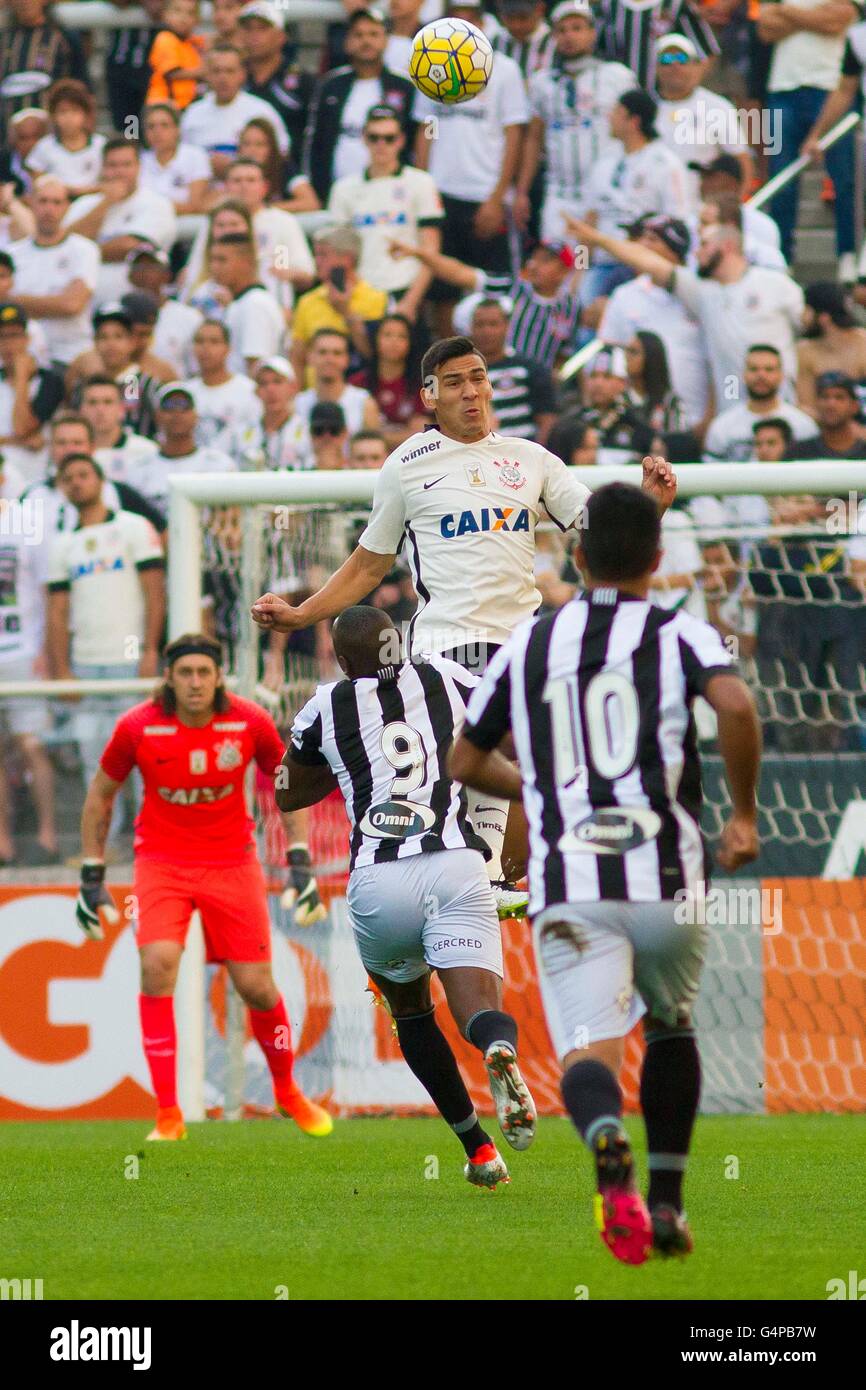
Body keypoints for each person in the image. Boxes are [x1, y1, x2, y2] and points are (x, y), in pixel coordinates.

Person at [251, 334, 677, 917]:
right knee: (492, 742)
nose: (471, 390)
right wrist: (303, 614)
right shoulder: (405, 465)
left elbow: (602, 532)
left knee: (538, 754)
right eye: (454, 382)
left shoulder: (532, 460)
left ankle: (511, 874)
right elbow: (371, 561)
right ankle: (483, 874)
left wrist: (650, 504)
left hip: (525, 638)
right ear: (428, 395)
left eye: (478, 377)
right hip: (450, 641)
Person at [449, 481, 761, 1262]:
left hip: (573, 882)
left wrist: (546, 791)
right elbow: (737, 707)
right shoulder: (681, 631)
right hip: (667, 874)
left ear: (577, 556)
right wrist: (745, 814)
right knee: (669, 1024)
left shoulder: (532, 642)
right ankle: (666, 1204)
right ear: (658, 560)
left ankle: (606, 1141)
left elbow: (464, 757)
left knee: (588, 1045)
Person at [278, 605, 536, 1186]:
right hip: (455, 863)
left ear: (343, 661)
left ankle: (478, 1150)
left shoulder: (325, 704)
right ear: (401, 643)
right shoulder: (447, 677)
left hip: (378, 879)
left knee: (412, 1011)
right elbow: (515, 741)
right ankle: (497, 1046)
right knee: (478, 1009)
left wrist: (341, 767)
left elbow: (287, 794)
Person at [75, 631, 333, 1141]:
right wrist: (91, 870)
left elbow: (288, 786)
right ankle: (168, 1115)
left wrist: (298, 859)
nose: (195, 683)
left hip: (232, 863)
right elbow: (101, 794)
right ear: (168, 678)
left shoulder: (249, 720)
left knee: (256, 986)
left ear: (218, 678)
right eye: (185, 673)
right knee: (158, 966)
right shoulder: (138, 726)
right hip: (161, 863)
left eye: (204, 673)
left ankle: (287, 1092)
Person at [567, 211, 804, 407]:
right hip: (731, 417)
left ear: (728, 246)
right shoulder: (702, 292)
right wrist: (595, 238)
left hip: (783, 412)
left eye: (704, 245)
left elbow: (808, 337)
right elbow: (647, 261)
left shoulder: (777, 284)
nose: (696, 252)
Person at [412, 29, 528, 329]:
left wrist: (497, 197)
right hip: (441, 192)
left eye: (470, 13)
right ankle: (449, 358)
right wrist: (424, 190)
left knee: (495, 291)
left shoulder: (503, 68)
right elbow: (426, 128)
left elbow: (513, 132)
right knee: (441, 292)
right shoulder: (428, 60)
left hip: (484, 193)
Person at [515, 2, 635, 244]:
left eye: (577, 28)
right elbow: (533, 139)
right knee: (559, 265)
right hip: (560, 194)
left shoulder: (617, 76)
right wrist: (522, 192)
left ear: (592, 33)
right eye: (562, 30)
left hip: (607, 193)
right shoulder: (542, 83)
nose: (569, 36)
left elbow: (633, 133)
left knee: (601, 264)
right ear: (554, 36)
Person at [760, 0, 857, 276]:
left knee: (843, 179)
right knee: (780, 181)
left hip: (831, 88)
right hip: (780, 89)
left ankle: (847, 256)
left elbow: (840, 20)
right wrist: (816, 18)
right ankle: (781, 258)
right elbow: (765, 29)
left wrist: (786, 12)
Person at [391, 238, 582, 372]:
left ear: (563, 272)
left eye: (546, 261)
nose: (534, 264)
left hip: (537, 388)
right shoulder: (510, 287)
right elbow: (460, 273)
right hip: (498, 375)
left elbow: (563, 353)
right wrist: (418, 253)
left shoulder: (571, 307)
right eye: (534, 257)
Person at [577, 88, 691, 309]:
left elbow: (678, 222)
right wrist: (579, 269)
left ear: (633, 120)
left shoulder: (666, 164)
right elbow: (587, 225)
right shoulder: (604, 163)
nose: (609, 118)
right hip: (602, 265)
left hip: (643, 265)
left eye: (616, 112)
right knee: (585, 314)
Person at [599, 215, 711, 435]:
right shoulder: (624, 295)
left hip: (694, 419)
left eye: (652, 239)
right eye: (641, 239)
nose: (641, 246)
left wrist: (708, 420)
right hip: (637, 421)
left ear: (674, 247)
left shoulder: (702, 292)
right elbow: (610, 359)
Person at [327, 105, 443, 316]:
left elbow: (431, 250)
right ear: (364, 138)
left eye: (389, 138)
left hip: (405, 287)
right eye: (374, 137)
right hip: (361, 291)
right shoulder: (343, 189)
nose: (381, 145)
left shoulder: (421, 183)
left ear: (401, 140)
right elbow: (338, 253)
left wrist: (410, 303)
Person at [302, 7, 416, 204]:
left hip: (392, 196)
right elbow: (314, 142)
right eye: (358, 34)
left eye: (374, 34)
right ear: (347, 42)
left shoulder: (404, 87)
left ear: (387, 40)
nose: (366, 41)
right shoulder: (330, 85)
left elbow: (415, 139)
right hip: (338, 194)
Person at [0, 491, 59, 866]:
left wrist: (47, 650)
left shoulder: (25, 521)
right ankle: (3, 841)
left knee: (32, 745)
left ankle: (48, 833)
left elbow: (49, 590)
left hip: (23, 651)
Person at [182, 160, 315, 315]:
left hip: (265, 303)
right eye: (237, 181)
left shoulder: (280, 224)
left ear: (264, 187)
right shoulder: (213, 221)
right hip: (213, 302)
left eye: (251, 180)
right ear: (225, 186)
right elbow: (198, 267)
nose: (243, 186)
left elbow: (290, 270)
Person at [65, 140, 178, 308]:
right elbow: (65, 245)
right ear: (102, 169)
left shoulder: (157, 204)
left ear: (139, 167)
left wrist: (81, 253)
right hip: (86, 305)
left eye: (126, 165)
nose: (119, 172)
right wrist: (106, 202)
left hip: (136, 306)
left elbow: (129, 246)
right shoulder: (84, 205)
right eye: (112, 165)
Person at [9, 176, 100, 374]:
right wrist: (53, 303)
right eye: (43, 201)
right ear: (31, 203)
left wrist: (15, 301)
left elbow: (72, 304)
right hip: (23, 356)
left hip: (71, 355)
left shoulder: (84, 249)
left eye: (56, 202)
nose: (49, 209)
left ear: (67, 207)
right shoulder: (12, 254)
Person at [653, 32, 751, 202]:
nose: (675, 65)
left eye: (682, 59)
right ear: (656, 68)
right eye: (667, 59)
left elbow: (741, 159)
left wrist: (739, 204)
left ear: (696, 66)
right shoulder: (649, 110)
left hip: (704, 210)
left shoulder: (717, 107)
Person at [291, 225, 388, 381]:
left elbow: (374, 355)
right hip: (316, 394)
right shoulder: (307, 301)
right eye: (316, 254)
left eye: (323, 255)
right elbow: (298, 357)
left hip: (361, 389)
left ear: (347, 258)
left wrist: (346, 312)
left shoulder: (377, 299)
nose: (317, 261)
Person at [180, 41, 290, 179]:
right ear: (207, 75)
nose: (223, 78)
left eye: (229, 71)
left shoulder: (261, 111)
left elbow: (281, 155)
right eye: (216, 71)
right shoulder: (193, 113)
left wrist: (234, 165)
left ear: (242, 74)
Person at [135, 382, 237, 520]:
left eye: (184, 406)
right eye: (169, 407)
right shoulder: (138, 468)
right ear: (157, 416)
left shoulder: (219, 465)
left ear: (196, 415)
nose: (177, 413)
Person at [703, 344, 817, 461]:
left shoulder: (803, 425)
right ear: (743, 375)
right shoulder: (722, 426)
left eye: (769, 369)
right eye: (754, 369)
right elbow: (710, 473)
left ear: (781, 375)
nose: (761, 375)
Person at [0, 0, 89, 144]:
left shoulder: (63, 38)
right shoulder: (4, 38)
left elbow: (82, 86)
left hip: (52, 135)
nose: (25, 3)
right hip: (6, 133)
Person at [470, 297, 557, 443]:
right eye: (480, 325)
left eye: (493, 324)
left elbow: (547, 419)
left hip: (525, 451)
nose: (486, 331)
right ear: (471, 328)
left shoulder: (529, 368)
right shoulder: (465, 373)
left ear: (506, 326)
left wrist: (538, 454)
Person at [239, 0, 317, 160]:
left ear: (281, 36)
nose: (254, 36)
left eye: (262, 29)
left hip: (289, 173)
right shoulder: (234, 77)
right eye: (248, 29)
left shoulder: (302, 82)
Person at [0, 302, 64, 484]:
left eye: (14, 335)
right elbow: (22, 436)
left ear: (27, 338)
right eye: (2, 337)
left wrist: (21, 379)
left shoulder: (50, 382)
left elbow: (22, 427)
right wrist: (17, 442)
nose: (8, 344)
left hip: (36, 476)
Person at [593, 0, 719, 90]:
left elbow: (707, 52)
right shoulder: (608, 6)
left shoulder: (676, 5)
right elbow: (593, 51)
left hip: (665, 100)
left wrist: (685, 90)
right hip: (620, 104)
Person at [207, 233, 287, 374]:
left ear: (247, 262)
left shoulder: (255, 304)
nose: (214, 267)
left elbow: (256, 367)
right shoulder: (241, 303)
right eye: (212, 260)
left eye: (222, 260)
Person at [349, 312, 426, 448]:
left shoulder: (420, 384)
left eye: (401, 336)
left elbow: (421, 433)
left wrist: (377, 434)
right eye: (387, 335)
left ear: (410, 342)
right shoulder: (358, 382)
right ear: (375, 339)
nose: (394, 342)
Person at [127, 247, 203, 378]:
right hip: (128, 389)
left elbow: (197, 369)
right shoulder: (118, 314)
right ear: (130, 276)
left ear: (166, 275)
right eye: (138, 267)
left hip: (172, 392)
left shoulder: (189, 317)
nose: (145, 273)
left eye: (152, 267)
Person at [183, 318, 260, 447]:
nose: (205, 348)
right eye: (199, 341)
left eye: (214, 342)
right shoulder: (185, 392)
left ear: (228, 348)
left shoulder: (249, 391)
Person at [24, 80, 105, 200]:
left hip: (93, 205)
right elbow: (37, 184)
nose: (69, 118)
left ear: (86, 114)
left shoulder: (101, 144)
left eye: (75, 111)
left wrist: (83, 192)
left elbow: (110, 183)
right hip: (56, 206)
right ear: (53, 116)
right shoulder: (44, 147)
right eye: (63, 112)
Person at [226, 355, 311, 469]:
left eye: (277, 382)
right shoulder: (240, 432)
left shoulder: (307, 431)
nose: (270, 389)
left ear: (293, 387)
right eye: (263, 383)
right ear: (256, 392)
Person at [293, 328, 381, 438]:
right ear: (310, 357)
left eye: (337, 353)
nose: (329, 359)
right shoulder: (297, 404)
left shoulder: (364, 403)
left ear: (347, 359)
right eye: (322, 352)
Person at [797, 282, 866, 417]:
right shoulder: (805, 351)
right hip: (826, 426)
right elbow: (806, 405)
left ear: (824, 317)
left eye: (806, 309)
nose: (802, 317)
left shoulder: (863, 344)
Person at [79, 374, 161, 485]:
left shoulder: (147, 450)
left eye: (108, 402)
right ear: (81, 410)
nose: (100, 410)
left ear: (121, 409)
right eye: (92, 402)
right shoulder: (74, 451)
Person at [139, 102, 211, 216]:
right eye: (151, 127)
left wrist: (153, 207)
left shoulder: (195, 155)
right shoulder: (140, 160)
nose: (157, 132)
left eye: (164, 125)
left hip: (185, 220)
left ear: (177, 129)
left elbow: (195, 205)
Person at [237, 118, 319, 215]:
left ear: (272, 147)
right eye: (247, 144)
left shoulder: (284, 167)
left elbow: (311, 202)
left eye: (260, 144)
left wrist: (265, 208)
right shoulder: (233, 170)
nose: (252, 150)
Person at [105, 0, 164, 133]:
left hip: (156, 68)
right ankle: (130, 148)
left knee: (155, 123)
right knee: (129, 128)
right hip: (122, 66)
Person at [789, 372, 866, 461]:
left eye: (839, 397)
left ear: (854, 406)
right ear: (816, 404)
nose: (831, 404)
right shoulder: (799, 452)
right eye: (825, 397)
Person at [145, 0, 205, 110]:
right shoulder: (165, 38)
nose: (183, 18)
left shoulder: (189, 42)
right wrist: (204, 71)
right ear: (165, 14)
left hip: (183, 105)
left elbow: (204, 41)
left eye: (190, 13)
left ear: (197, 20)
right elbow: (172, 73)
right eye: (177, 11)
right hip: (162, 106)